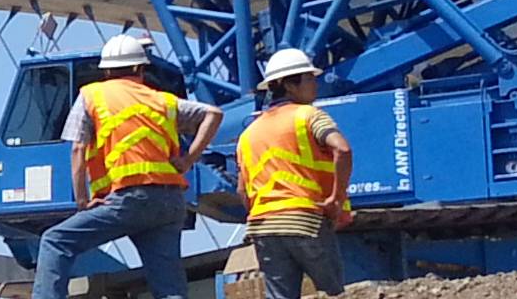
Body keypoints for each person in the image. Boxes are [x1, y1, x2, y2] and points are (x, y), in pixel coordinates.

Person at [31, 34, 221, 299]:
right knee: (169, 289)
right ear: (141, 69)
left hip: (129, 199)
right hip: (169, 202)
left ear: (106, 70)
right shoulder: (162, 100)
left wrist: (83, 201)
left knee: (55, 241)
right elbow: (213, 114)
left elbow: (77, 149)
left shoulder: (92, 95)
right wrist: (189, 159)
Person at [239, 48, 353, 297]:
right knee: (334, 293)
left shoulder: (248, 134)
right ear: (289, 85)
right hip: (305, 219)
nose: (315, 84)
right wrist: (337, 198)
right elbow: (342, 149)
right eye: (309, 78)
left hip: (263, 226)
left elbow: (242, 190)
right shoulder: (309, 115)